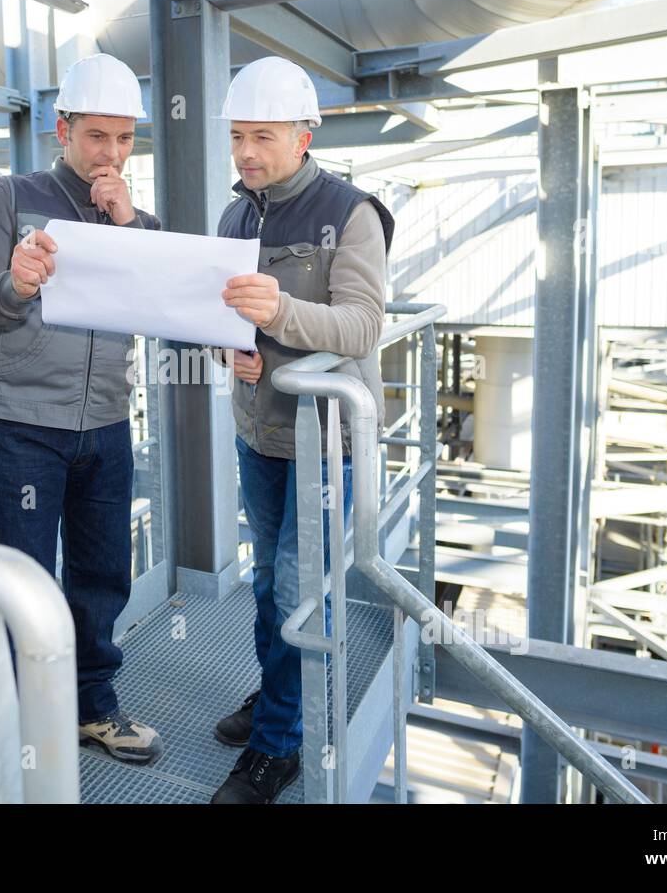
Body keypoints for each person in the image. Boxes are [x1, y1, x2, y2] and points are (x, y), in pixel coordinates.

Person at [0, 53, 163, 764]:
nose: (112, 154)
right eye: (98, 136)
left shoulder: (137, 220)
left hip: (105, 423)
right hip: (20, 429)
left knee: (102, 575)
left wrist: (130, 227)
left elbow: (167, 295)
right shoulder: (6, 198)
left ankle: (91, 707)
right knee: (19, 579)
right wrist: (13, 286)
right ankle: (12, 730)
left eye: (126, 139)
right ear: (62, 130)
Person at [209, 56, 394, 803]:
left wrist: (276, 311)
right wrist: (232, 341)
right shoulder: (232, 214)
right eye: (237, 137)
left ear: (304, 135)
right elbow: (224, 310)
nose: (247, 152)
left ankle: (279, 746)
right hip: (259, 434)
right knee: (265, 586)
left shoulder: (351, 213)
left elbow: (361, 325)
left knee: (294, 593)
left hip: (327, 443)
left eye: (262, 135)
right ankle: (275, 701)